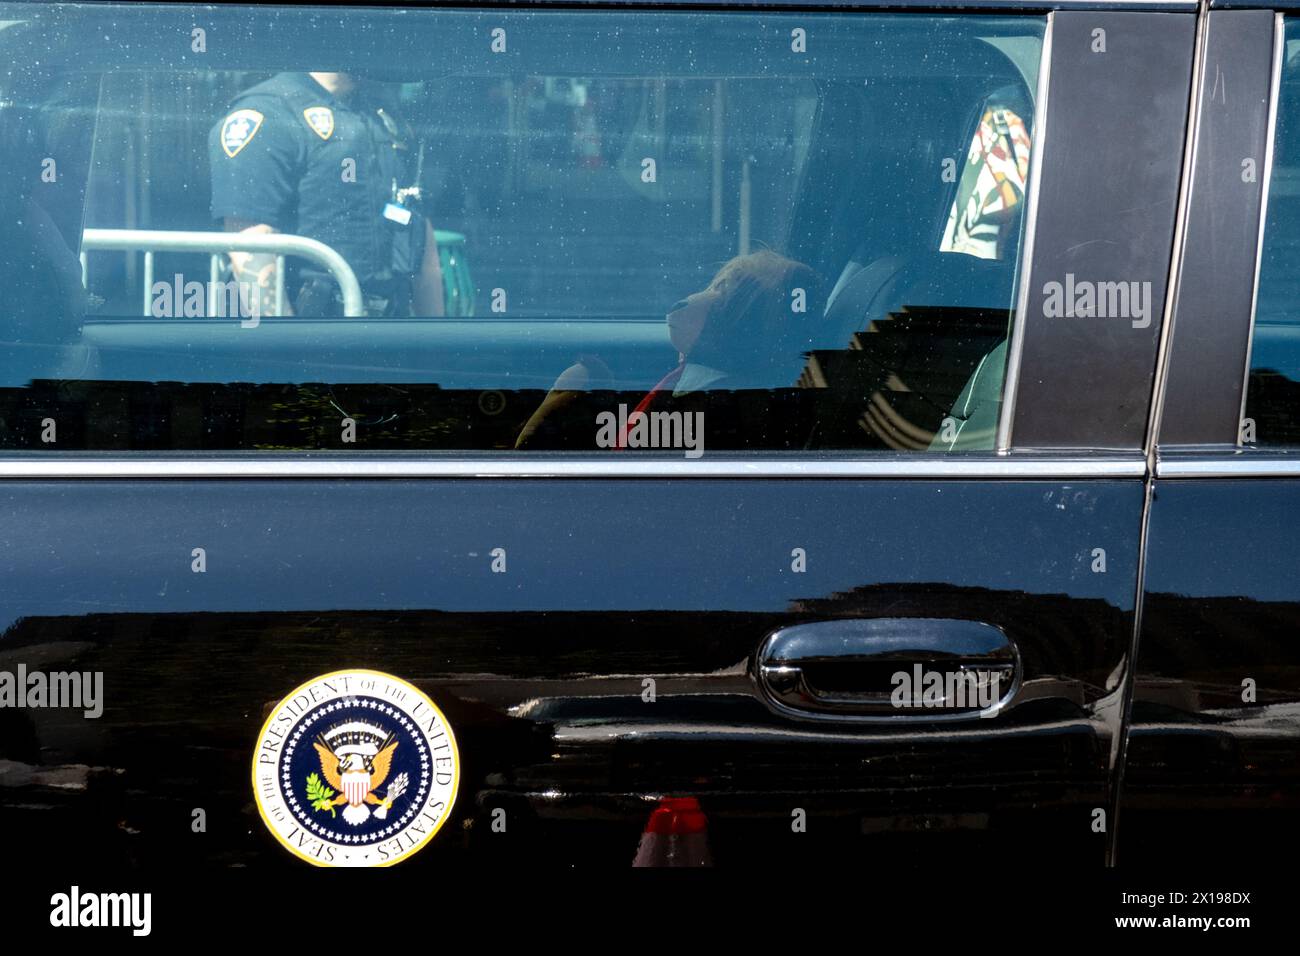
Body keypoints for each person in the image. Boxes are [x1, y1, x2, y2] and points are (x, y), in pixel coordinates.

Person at [515, 249, 826, 450]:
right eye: (714, 285)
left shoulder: (714, 408)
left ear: (742, 331)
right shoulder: (702, 386)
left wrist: (573, 404)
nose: (698, 296)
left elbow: (640, 460)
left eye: (721, 293)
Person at [208, 71, 444, 317]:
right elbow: (251, 248)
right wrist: (287, 346)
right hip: (313, 334)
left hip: (390, 331)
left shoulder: (381, 116)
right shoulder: (269, 112)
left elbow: (419, 235)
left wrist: (436, 345)